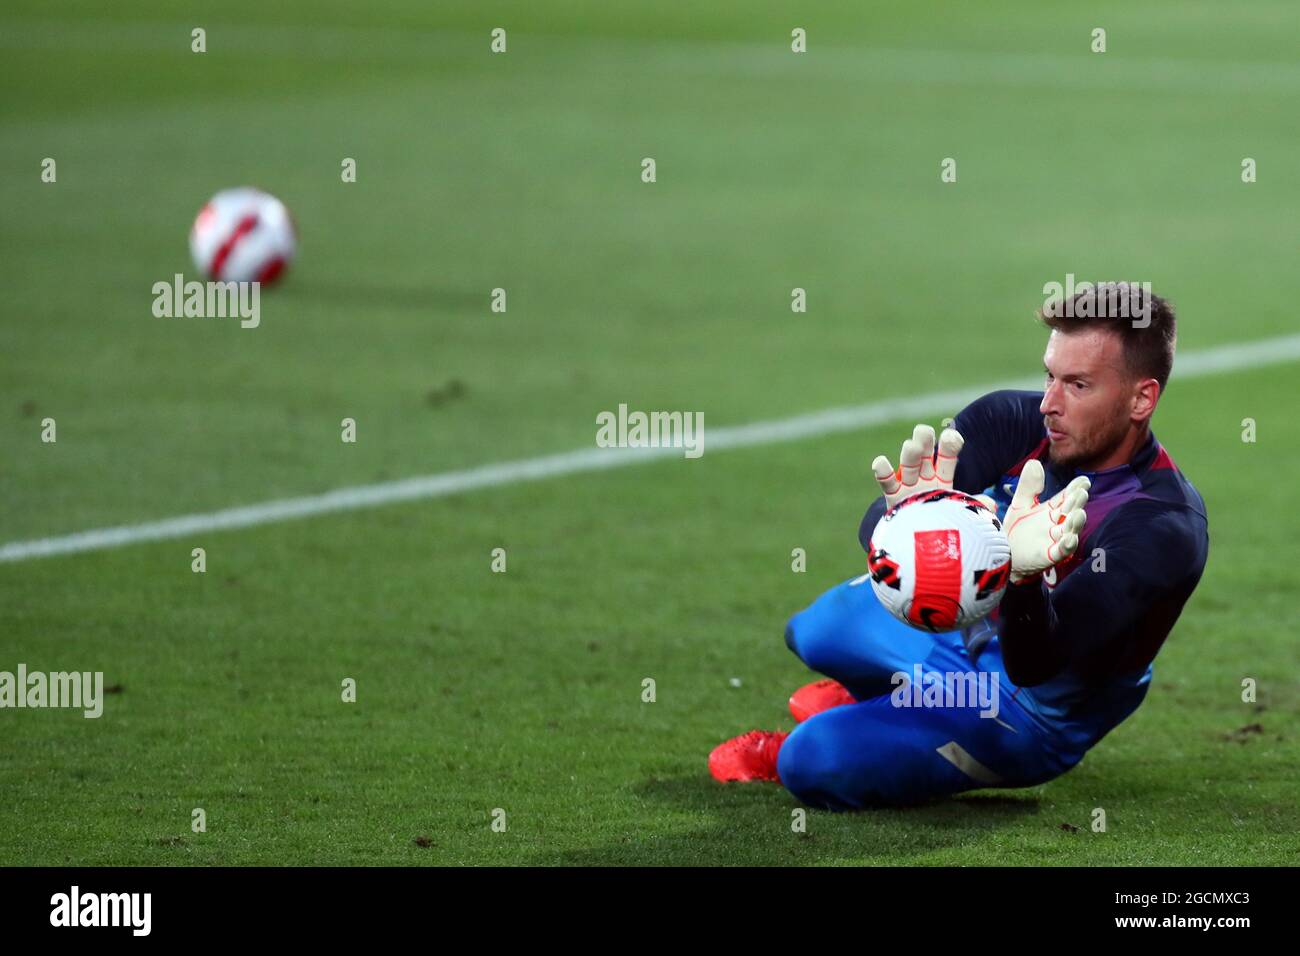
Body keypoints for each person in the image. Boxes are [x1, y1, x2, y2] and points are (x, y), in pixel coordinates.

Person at [709, 283, 1209, 810]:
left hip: (1026, 709)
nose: (1049, 403)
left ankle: (865, 727)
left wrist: (1022, 578)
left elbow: (1036, 664)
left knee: (808, 761)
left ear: (1141, 398)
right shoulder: (1012, 422)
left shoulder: (1162, 527)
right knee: (812, 631)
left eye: (1078, 385)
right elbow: (874, 528)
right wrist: (909, 519)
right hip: (963, 630)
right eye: (1049, 375)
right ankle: (886, 703)